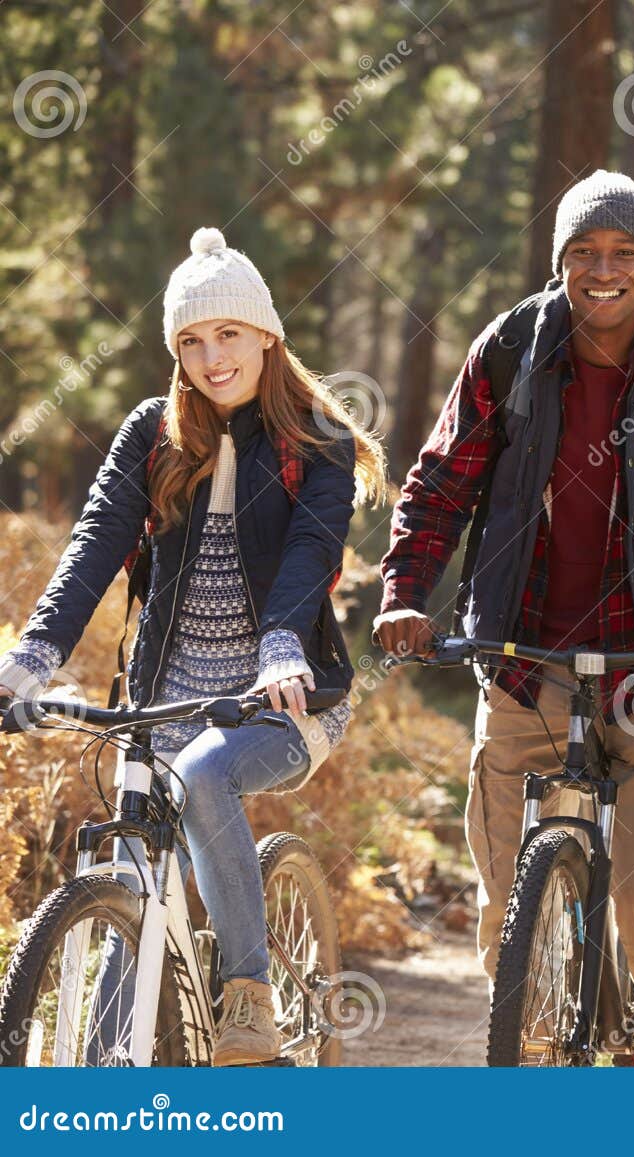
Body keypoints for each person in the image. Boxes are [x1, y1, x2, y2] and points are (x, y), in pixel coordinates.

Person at [374, 171, 634, 1063]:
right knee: (505, 915)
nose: (603, 271)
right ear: (559, 259)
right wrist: (407, 592)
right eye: (583, 254)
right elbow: (441, 483)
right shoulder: (510, 349)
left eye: (623, 255)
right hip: (523, 654)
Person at [0, 227, 385, 1065]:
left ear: (266, 335)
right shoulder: (153, 432)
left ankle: (248, 996)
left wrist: (282, 642)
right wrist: (30, 659)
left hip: (281, 699)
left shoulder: (315, 439)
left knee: (208, 771)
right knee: (135, 889)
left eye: (229, 335)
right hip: (162, 701)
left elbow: (314, 551)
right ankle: (103, 1084)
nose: (212, 359)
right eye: (191, 342)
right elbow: (96, 541)